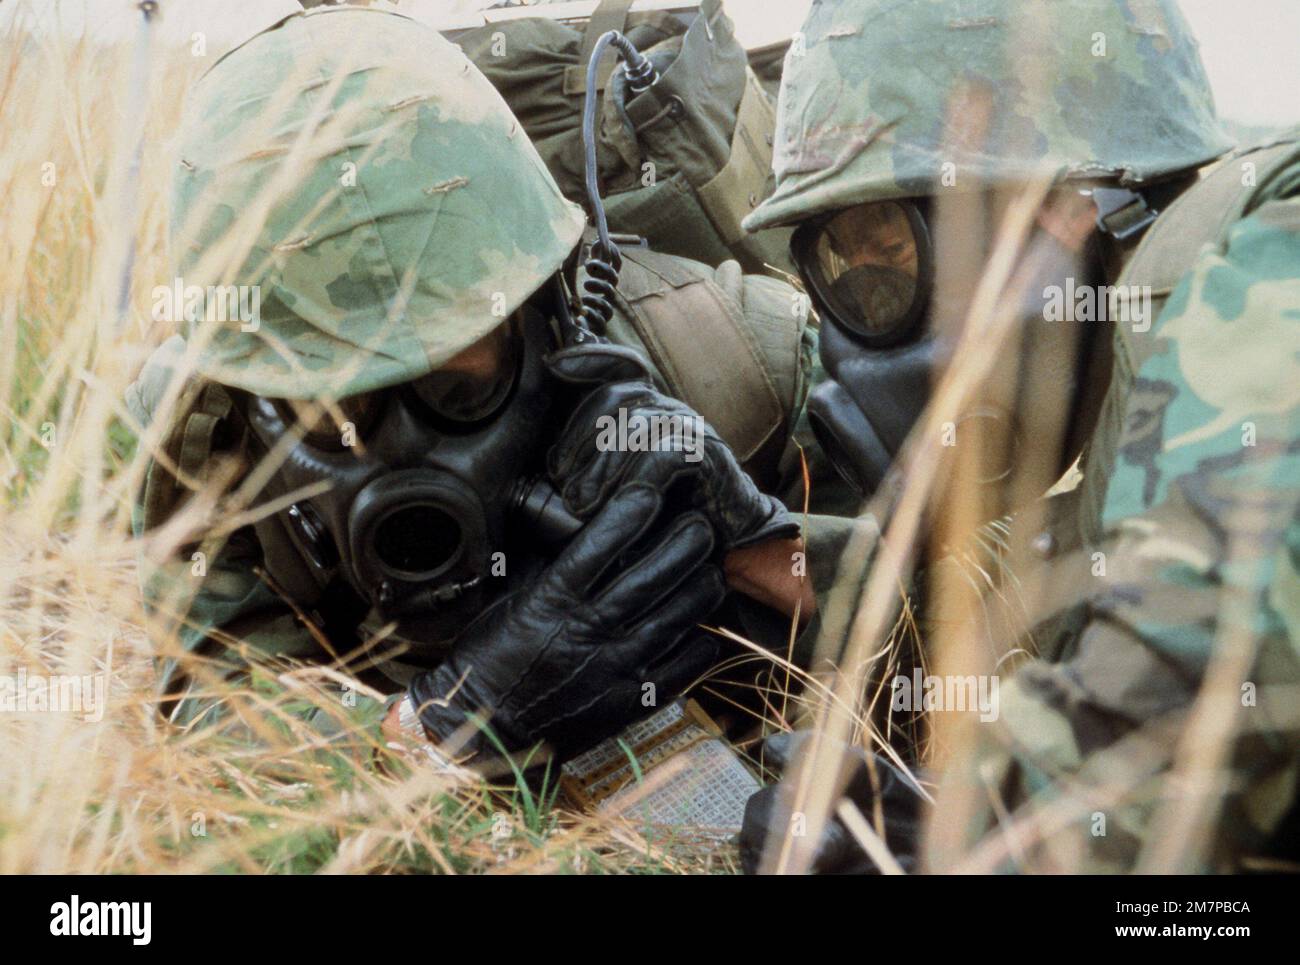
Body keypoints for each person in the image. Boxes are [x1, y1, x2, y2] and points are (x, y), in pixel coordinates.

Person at [128, 5, 830, 766]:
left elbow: (959, 592)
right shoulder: (207, 426)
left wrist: (755, 557)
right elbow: (215, 713)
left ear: (548, 316)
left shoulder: (739, 354)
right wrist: (431, 735)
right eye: (334, 405)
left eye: (454, 384)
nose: (400, 450)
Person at [736, 0, 1300, 873]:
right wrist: (784, 567)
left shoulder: (1245, 248)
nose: (857, 336)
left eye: (885, 250)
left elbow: (1213, 643)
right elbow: (1088, 565)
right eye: (845, 271)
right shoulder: (1148, 358)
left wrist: (982, 835)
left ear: (1061, 217)